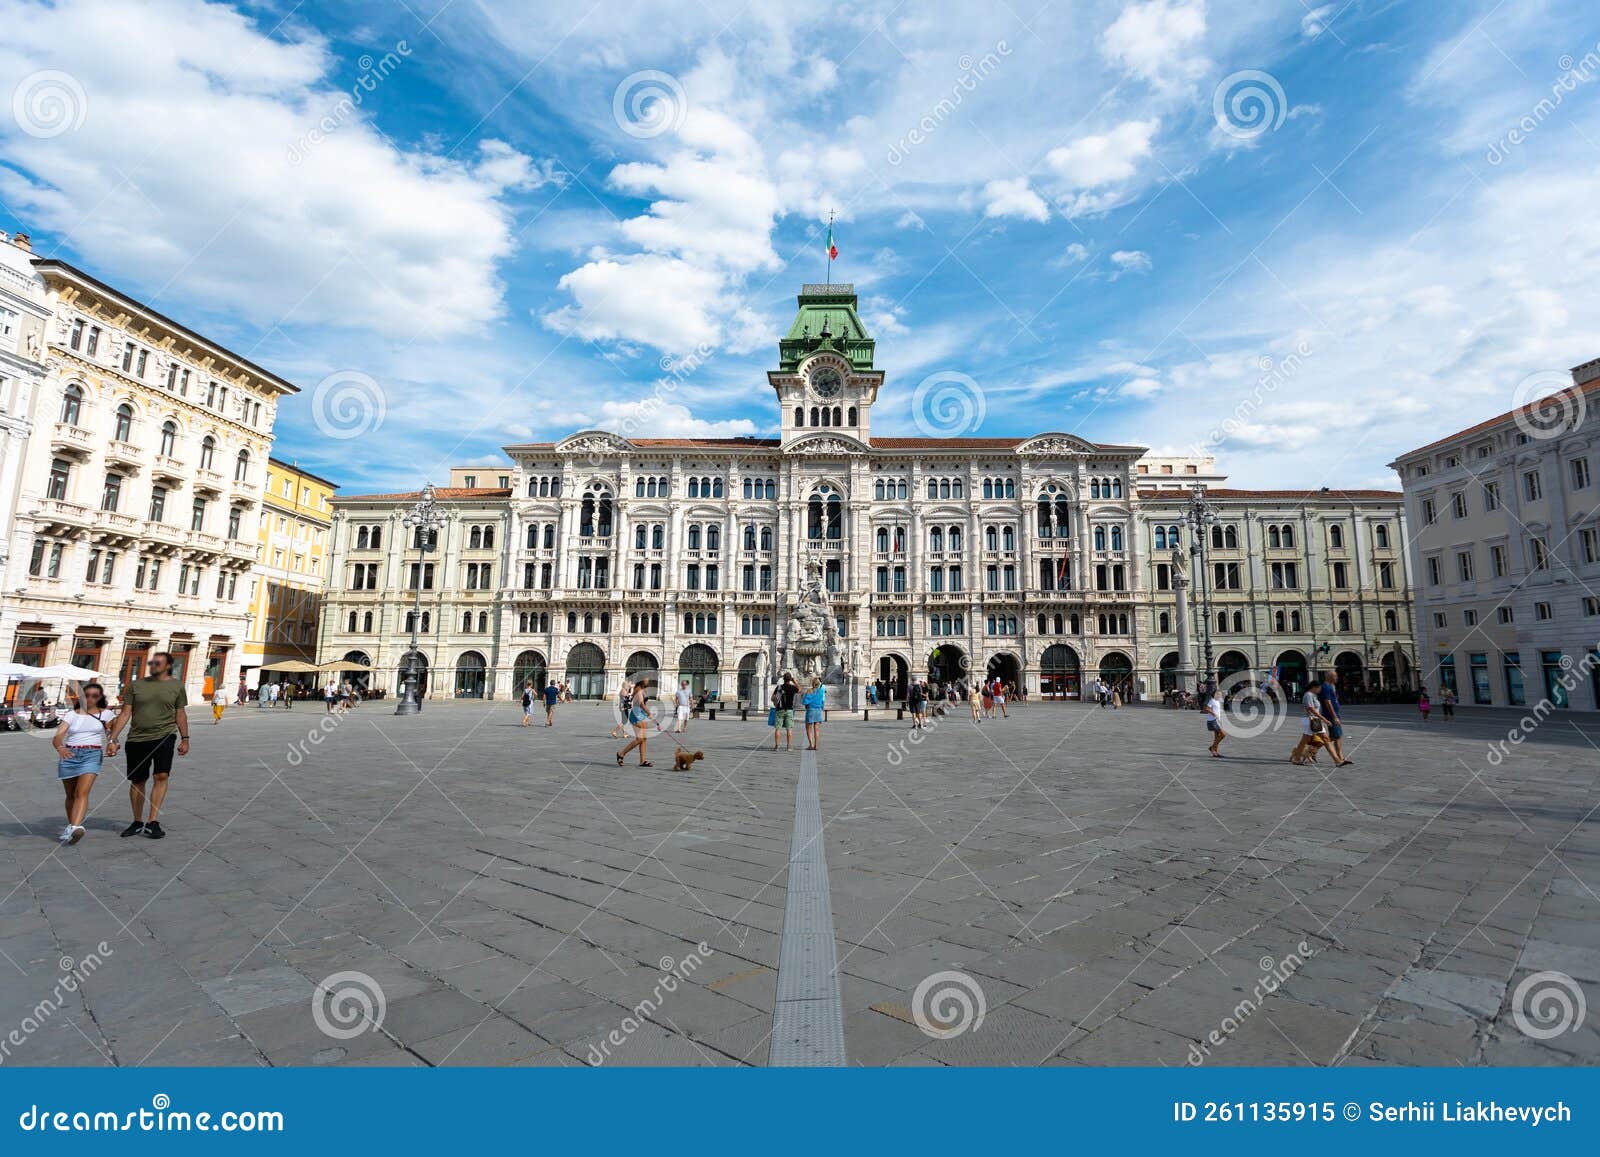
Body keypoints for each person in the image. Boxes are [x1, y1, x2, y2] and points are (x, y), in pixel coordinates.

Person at [105, 651, 189, 840]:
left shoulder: (177, 686)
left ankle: (152, 821)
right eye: (152, 663)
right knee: (138, 780)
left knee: (161, 775)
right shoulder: (136, 686)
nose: (153, 666)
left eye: (158, 663)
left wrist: (185, 738)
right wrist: (113, 739)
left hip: (165, 736)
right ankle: (137, 821)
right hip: (137, 739)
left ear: (168, 666)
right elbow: (125, 714)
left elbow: (180, 713)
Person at [52, 681, 115, 846]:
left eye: (95, 696)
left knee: (82, 792)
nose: (91, 699)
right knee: (71, 795)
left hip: (92, 754)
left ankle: (74, 827)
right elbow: (58, 736)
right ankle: (71, 826)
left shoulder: (106, 715)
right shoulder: (71, 715)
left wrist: (112, 743)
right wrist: (60, 747)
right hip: (70, 754)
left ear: (100, 698)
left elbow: (111, 734)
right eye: (87, 695)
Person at [1291, 677, 1332, 766]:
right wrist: (1324, 719)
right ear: (1314, 687)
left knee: (1315, 739)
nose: (1320, 690)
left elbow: (1308, 708)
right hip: (1311, 720)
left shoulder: (1313, 695)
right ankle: (1299, 756)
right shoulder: (1308, 695)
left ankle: (1299, 755)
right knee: (1309, 740)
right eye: (1319, 688)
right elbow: (1312, 709)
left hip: (1314, 720)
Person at [1318, 670, 1353, 767]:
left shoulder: (1330, 686)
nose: (1337, 678)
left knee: (1337, 736)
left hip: (1334, 714)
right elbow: (1327, 702)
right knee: (1335, 736)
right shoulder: (1325, 687)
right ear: (1329, 677)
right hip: (1331, 715)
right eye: (1335, 676)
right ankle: (1310, 751)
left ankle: (1341, 757)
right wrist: (1334, 716)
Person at [616, 684, 654, 767]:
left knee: (643, 739)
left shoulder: (642, 690)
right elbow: (641, 704)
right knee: (640, 739)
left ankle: (642, 761)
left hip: (641, 714)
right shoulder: (639, 691)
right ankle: (621, 753)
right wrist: (649, 713)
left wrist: (646, 713)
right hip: (636, 716)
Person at [772, 674, 799, 750]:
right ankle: (789, 746)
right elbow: (800, 690)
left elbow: (772, 698)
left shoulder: (779, 687)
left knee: (778, 728)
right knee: (789, 729)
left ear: (783, 679)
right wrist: (795, 682)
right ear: (790, 679)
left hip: (780, 709)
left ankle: (777, 746)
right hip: (789, 710)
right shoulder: (792, 687)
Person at [1204, 687, 1226, 758]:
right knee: (1223, 734)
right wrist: (1214, 714)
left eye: (1220, 694)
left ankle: (1215, 753)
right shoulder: (1212, 700)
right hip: (1212, 721)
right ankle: (1212, 747)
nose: (1220, 695)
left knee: (1217, 737)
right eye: (1218, 694)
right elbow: (1206, 709)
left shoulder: (1217, 701)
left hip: (1216, 721)